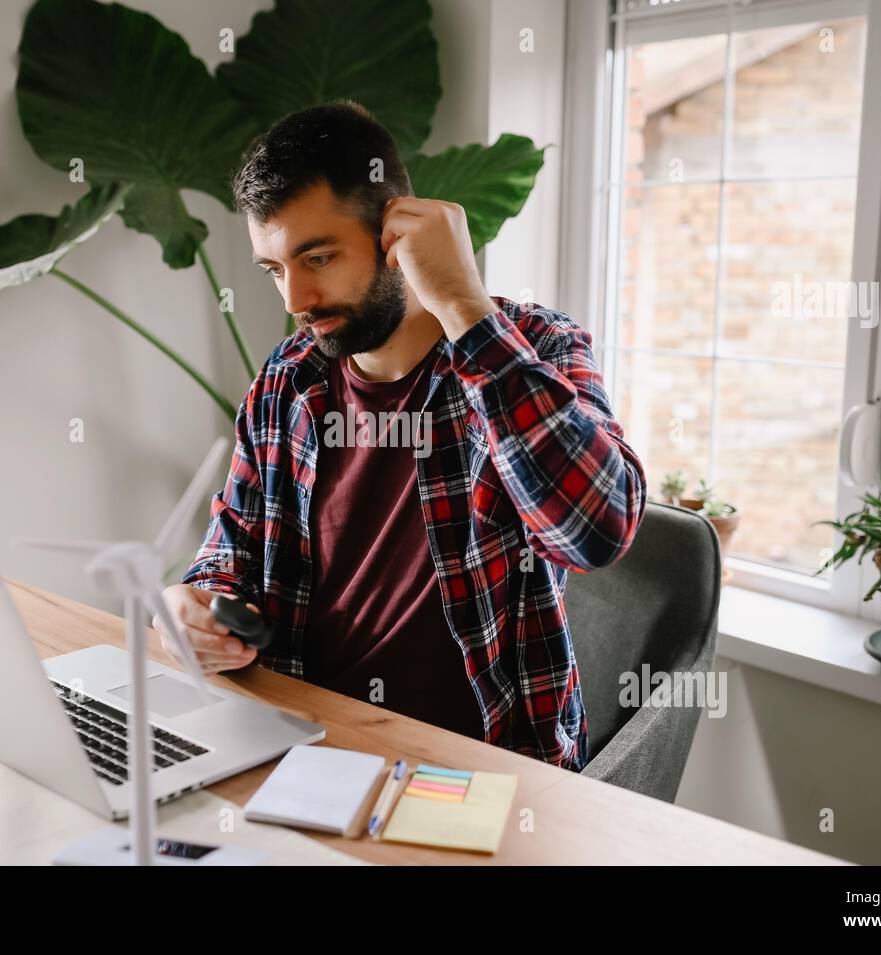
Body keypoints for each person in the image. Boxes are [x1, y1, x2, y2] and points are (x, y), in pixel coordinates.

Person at [161, 101, 645, 771]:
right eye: (274, 268)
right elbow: (233, 549)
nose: (295, 298)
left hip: (484, 768)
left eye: (318, 256)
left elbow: (598, 530)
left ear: (395, 233)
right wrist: (192, 604)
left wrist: (465, 309)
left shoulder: (536, 347)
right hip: (305, 745)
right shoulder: (287, 380)